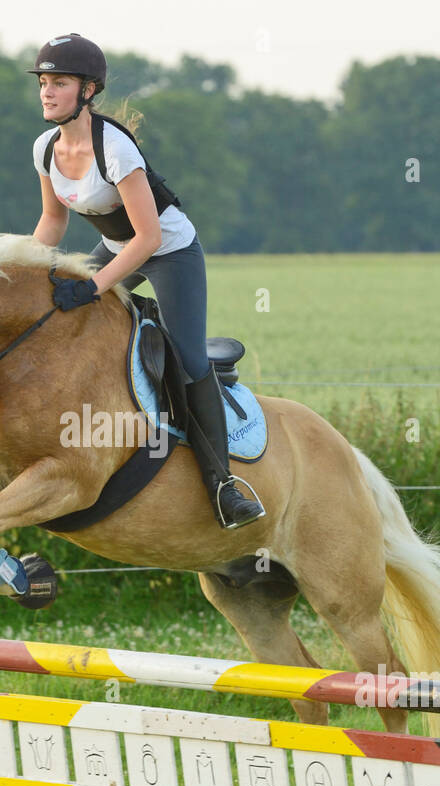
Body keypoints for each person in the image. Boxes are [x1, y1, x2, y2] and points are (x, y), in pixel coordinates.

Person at [28, 32, 264, 530]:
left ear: (88, 91)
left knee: (188, 358)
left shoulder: (115, 148)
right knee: (56, 317)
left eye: (60, 82)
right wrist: (23, 272)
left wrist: (93, 287)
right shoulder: (45, 148)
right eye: (44, 82)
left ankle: (223, 484)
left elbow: (149, 236)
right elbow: (53, 222)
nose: (47, 92)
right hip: (119, 249)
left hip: (168, 250)